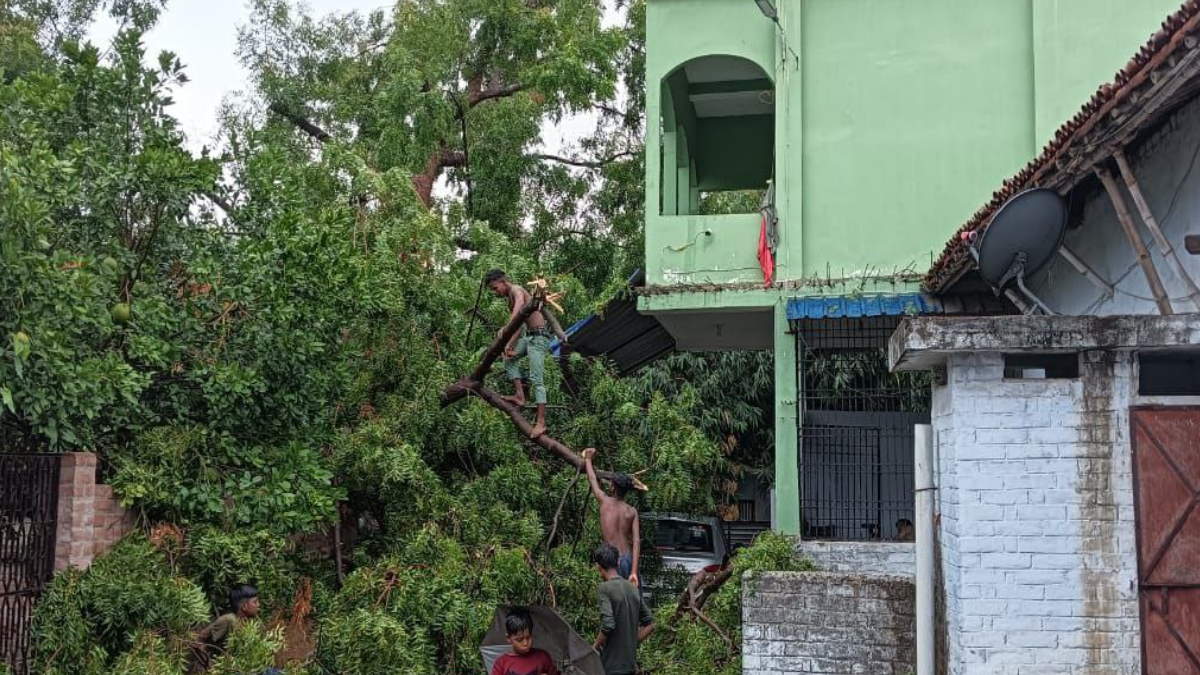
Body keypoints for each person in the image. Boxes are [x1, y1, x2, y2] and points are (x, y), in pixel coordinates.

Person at [486, 269, 551, 439]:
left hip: (539, 337)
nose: (495, 292)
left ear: (503, 281)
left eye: (495, 288)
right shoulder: (509, 298)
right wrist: (509, 344)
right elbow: (519, 324)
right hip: (528, 336)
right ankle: (519, 396)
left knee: (537, 378)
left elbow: (518, 311)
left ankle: (541, 422)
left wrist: (505, 330)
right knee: (508, 358)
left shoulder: (516, 290)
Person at [592, 544, 654, 675]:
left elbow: (608, 625)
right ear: (618, 562)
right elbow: (650, 624)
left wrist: (594, 647)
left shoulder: (605, 588)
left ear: (598, 566)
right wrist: (632, 641)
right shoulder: (632, 588)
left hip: (611, 666)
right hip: (630, 665)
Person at [581, 447, 640, 586]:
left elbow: (592, 479)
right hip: (627, 559)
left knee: (613, 597)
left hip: (611, 560)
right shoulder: (631, 512)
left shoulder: (605, 502)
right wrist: (634, 571)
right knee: (631, 599)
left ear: (613, 487)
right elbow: (636, 542)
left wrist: (588, 459)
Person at [189, 584, 260, 672]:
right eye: (255, 602)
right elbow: (199, 640)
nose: (258, 605)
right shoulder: (228, 620)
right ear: (244, 606)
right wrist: (210, 666)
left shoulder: (245, 623)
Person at [490, 607, 560, 675]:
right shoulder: (501, 663)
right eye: (519, 640)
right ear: (508, 638)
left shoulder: (543, 657)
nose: (525, 643)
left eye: (528, 637)